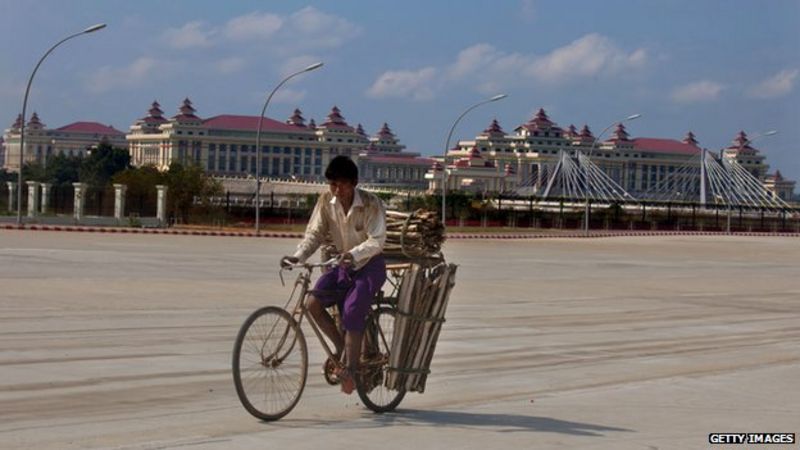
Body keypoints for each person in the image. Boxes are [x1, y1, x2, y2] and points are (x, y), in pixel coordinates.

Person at [281, 155, 386, 394]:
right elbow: (314, 234)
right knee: (312, 303)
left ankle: (351, 369)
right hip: (343, 265)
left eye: (342, 185)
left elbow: (377, 241)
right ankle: (341, 349)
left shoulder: (370, 203)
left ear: (354, 183)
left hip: (369, 265)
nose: (337, 190)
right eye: (332, 184)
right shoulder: (325, 201)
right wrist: (298, 256)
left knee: (351, 310)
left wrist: (354, 254)